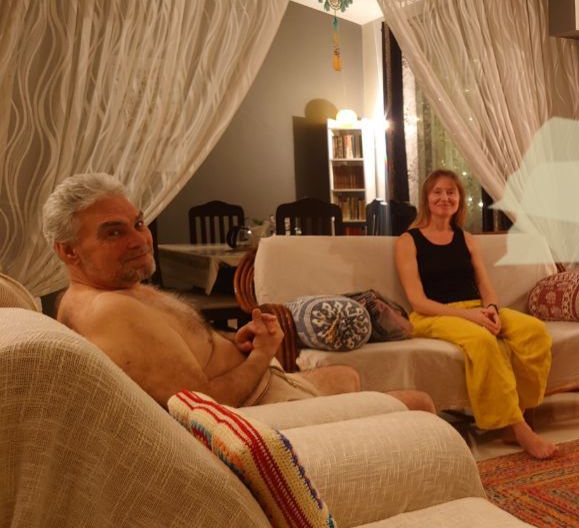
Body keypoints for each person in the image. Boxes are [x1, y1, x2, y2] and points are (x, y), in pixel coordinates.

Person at [45, 173, 434, 413]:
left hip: (265, 385)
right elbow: (202, 408)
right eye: (114, 232)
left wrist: (238, 341)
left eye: (138, 223)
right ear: (68, 250)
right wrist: (263, 354)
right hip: (258, 414)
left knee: (346, 374)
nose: (139, 240)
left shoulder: (115, 293)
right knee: (419, 405)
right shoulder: (110, 311)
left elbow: (184, 355)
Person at [394, 169, 557, 459]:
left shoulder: (467, 238)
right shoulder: (408, 240)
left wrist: (492, 310)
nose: (444, 198)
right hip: (433, 315)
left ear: (459, 199)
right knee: (483, 342)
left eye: (451, 192)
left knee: (535, 332)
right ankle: (520, 429)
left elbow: (484, 286)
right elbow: (418, 302)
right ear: (426, 198)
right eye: (437, 192)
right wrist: (472, 318)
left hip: (476, 307)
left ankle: (516, 414)